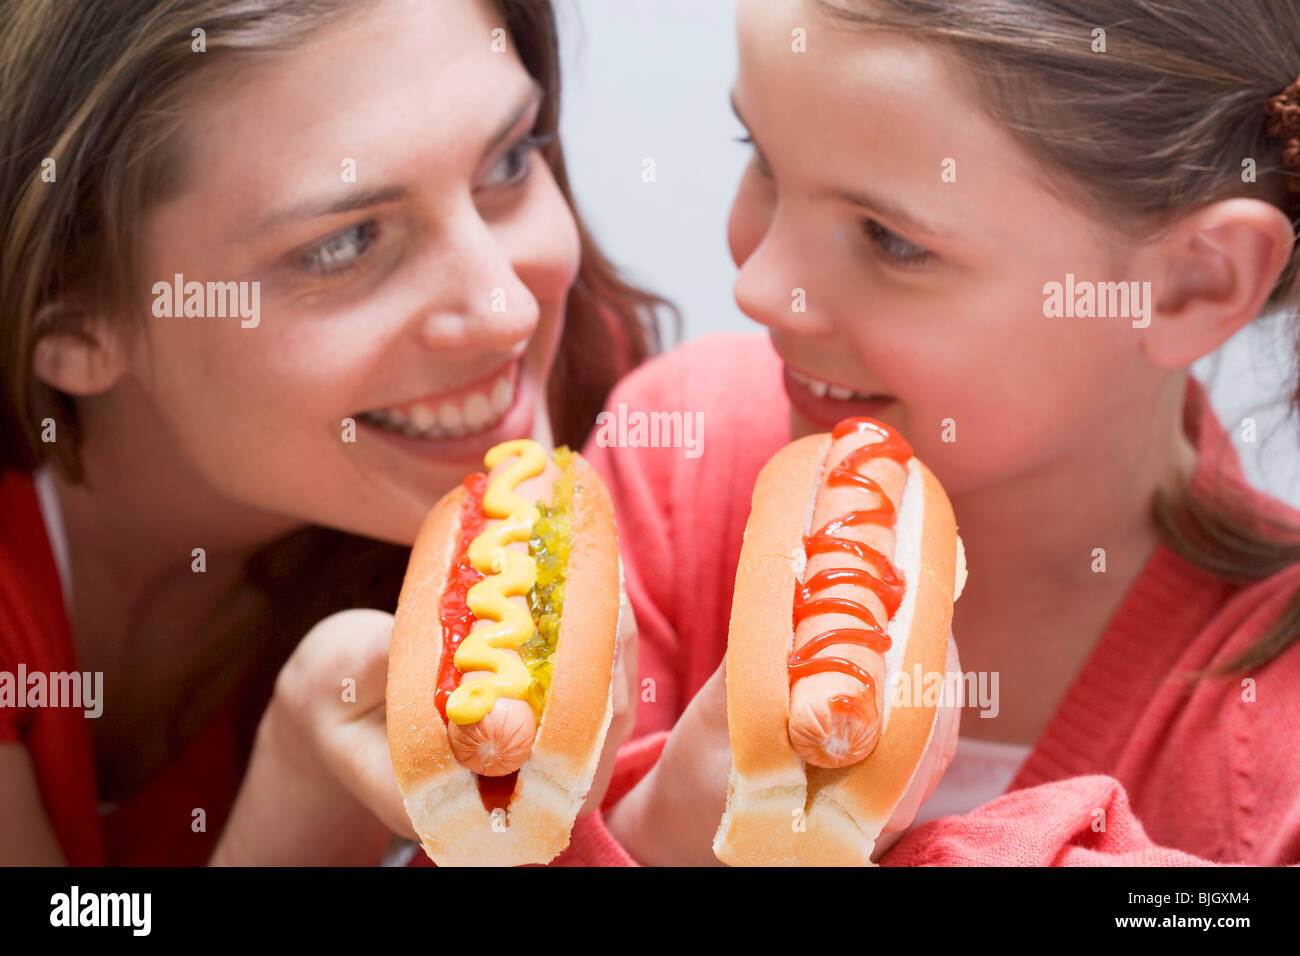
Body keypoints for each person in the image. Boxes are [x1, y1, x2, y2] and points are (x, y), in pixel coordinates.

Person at [583, 0, 1300, 865]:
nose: (761, 289)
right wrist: (659, 828)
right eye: (761, 159)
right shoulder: (678, 454)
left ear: (1194, 282)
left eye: (891, 240)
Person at [0, 0, 668, 865]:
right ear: (74, 328)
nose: (506, 309)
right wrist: (304, 796)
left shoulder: (590, 403)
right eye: (345, 242)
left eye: (507, 161)